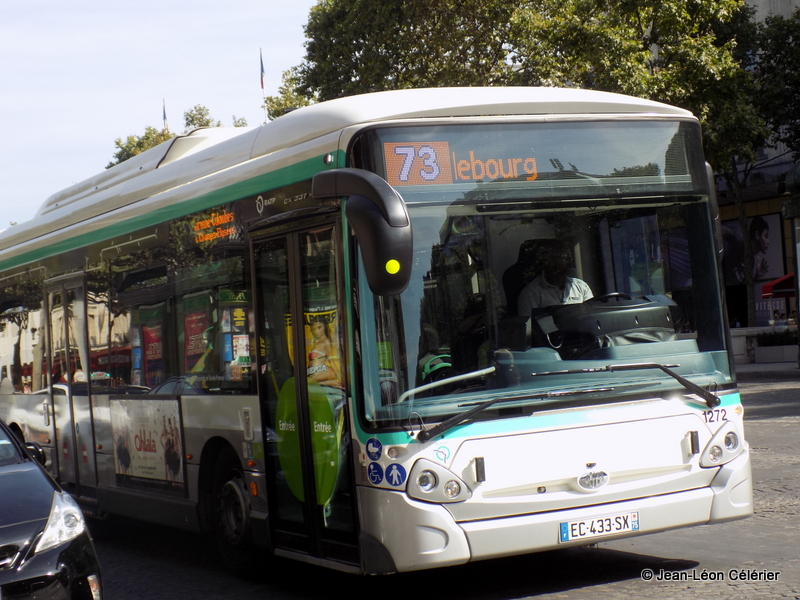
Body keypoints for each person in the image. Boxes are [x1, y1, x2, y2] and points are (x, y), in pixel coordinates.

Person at [517, 239, 593, 316]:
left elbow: (591, 318)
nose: (568, 259)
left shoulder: (581, 287)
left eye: (568, 255)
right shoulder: (531, 293)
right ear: (548, 260)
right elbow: (529, 326)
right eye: (562, 255)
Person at [750, 216, 770, 280]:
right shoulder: (739, 250)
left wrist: (757, 276)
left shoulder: (752, 260)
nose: (768, 242)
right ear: (757, 235)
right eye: (766, 236)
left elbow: (747, 288)